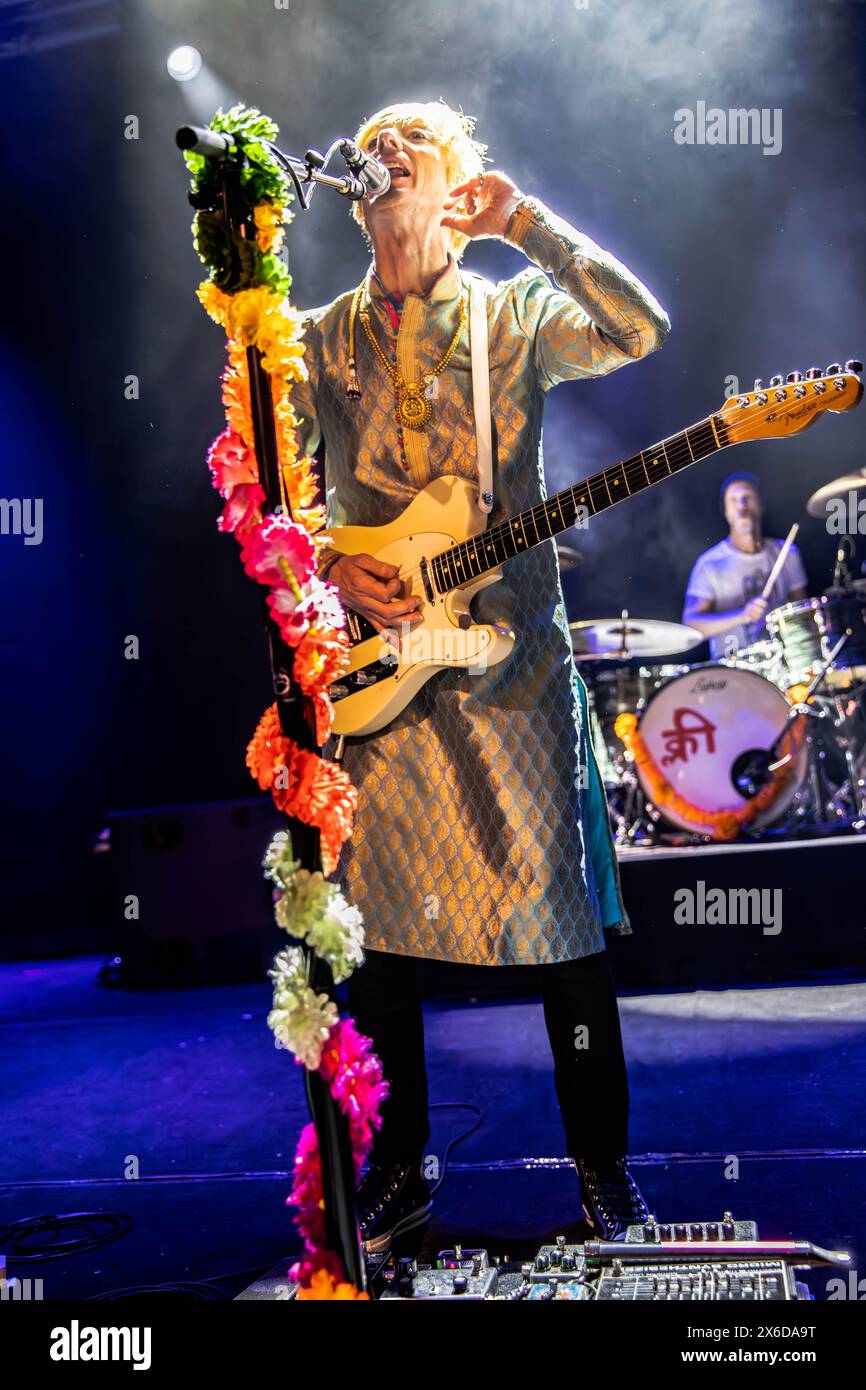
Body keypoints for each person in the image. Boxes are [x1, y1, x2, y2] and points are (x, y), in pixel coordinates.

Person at [286, 100, 671, 1252]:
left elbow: (639, 330)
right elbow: (275, 503)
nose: (384, 145)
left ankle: (602, 1171)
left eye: (414, 138)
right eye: (374, 138)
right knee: (384, 948)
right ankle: (401, 1166)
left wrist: (531, 227)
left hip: (512, 672)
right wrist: (334, 575)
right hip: (381, 683)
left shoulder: (511, 316)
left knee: (563, 942)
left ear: (458, 182)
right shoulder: (311, 338)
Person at [683, 473, 808, 659]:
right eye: (733, 500)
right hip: (733, 669)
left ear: (761, 504)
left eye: (747, 497)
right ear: (726, 512)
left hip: (785, 662)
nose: (741, 505)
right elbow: (692, 625)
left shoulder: (787, 552)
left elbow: (803, 612)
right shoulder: (710, 564)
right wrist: (743, 615)